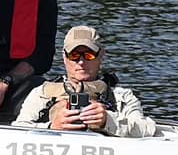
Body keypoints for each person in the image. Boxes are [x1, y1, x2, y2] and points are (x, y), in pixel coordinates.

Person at [12, 26, 157, 137]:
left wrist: (107, 121)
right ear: (64, 57)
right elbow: (18, 129)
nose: (80, 62)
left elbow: (146, 129)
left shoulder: (122, 97)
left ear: (101, 55)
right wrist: (52, 126)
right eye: (74, 55)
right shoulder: (42, 93)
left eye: (88, 55)